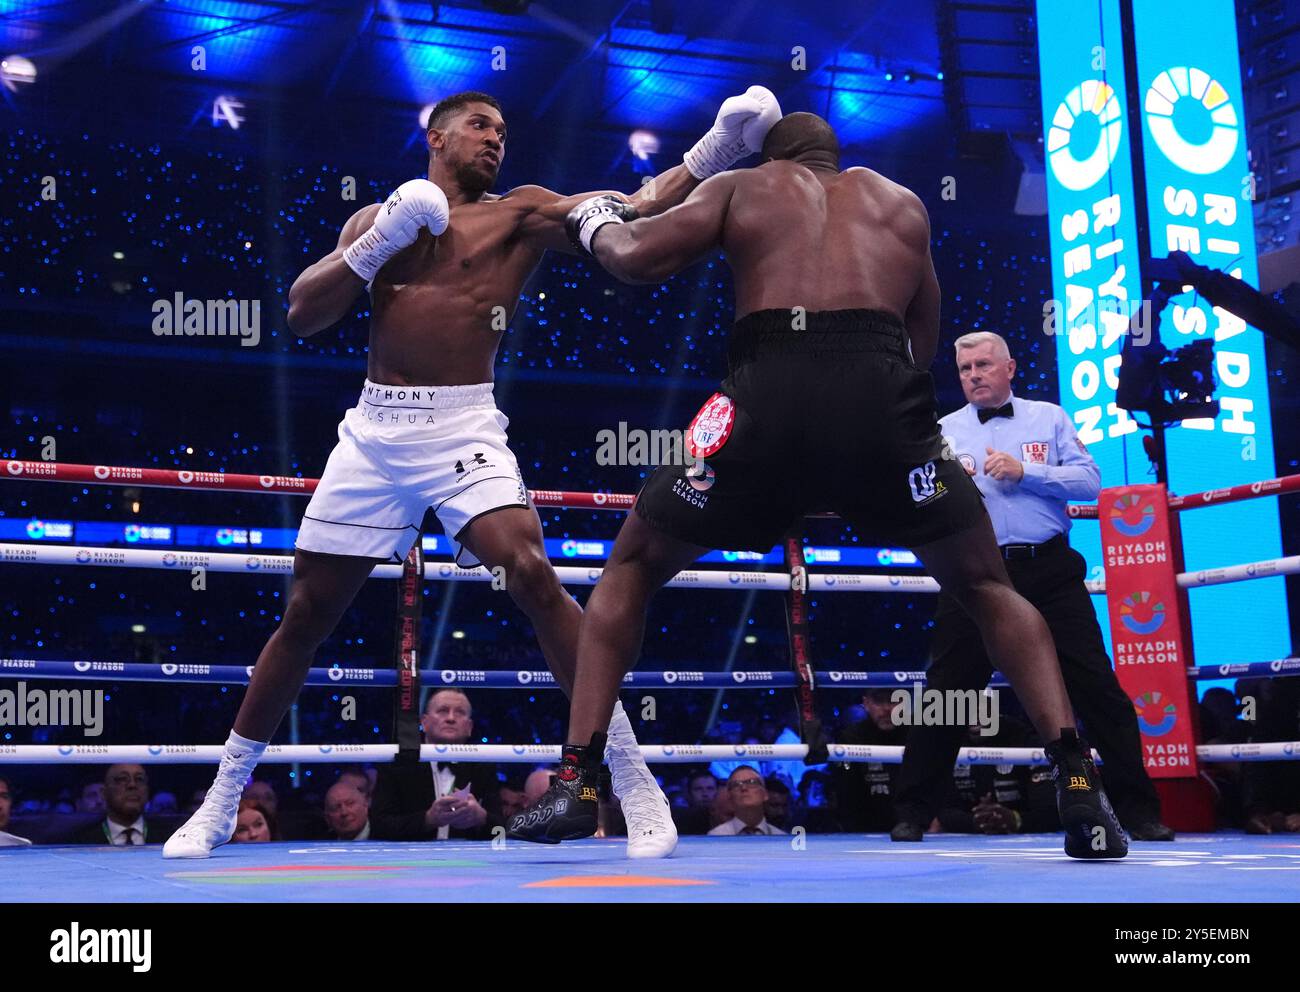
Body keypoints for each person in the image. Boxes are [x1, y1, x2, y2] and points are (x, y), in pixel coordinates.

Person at [165, 85, 782, 862]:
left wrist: (717, 147)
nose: (496, 140)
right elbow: (300, 312)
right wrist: (378, 239)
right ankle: (221, 801)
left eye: (503, 130)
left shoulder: (521, 211)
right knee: (306, 613)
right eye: (481, 127)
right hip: (375, 430)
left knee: (529, 568)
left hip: (464, 425)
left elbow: (632, 207)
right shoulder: (381, 216)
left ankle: (632, 785)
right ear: (437, 136)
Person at [508, 111, 1127, 860]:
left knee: (633, 565)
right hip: (883, 395)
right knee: (989, 587)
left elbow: (638, 257)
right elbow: (922, 344)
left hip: (765, 386)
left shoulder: (742, 185)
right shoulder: (901, 203)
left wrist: (599, 221)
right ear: (836, 156)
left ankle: (577, 784)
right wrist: (861, 439)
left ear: (772, 155)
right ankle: (1080, 786)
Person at [890, 331, 1172, 844]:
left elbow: (1091, 482)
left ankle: (1139, 810)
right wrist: (946, 489)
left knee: (1097, 688)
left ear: (1009, 368)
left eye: (982, 365)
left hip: (1049, 569)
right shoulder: (942, 431)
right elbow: (916, 496)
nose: (973, 375)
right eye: (964, 369)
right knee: (947, 694)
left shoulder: (1050, 417)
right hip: (974, 575)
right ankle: (911, 812)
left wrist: (1029, 473)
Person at [369, 689, 503, 840]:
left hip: (468, 858)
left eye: (459, 712)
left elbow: (501, 828)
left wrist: (481, 818)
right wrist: (427, 819)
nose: (451, 718)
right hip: (411, 858)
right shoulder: (397, 764)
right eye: (443, 711)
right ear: (424, 722)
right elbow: (379, 826)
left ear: (469, 727)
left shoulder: (482, 766)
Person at [72, 764, 173, 846]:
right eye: (122, 779)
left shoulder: (171, 838)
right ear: (104, 793)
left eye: (139, 779)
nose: (132, 785)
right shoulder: (79, 842)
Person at [706, 767, 785, 836]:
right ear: (730, 797)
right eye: (736, 785)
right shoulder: (716, 835)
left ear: (765, 794)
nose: (743, 787)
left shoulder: (782, 837)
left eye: (752, 782)